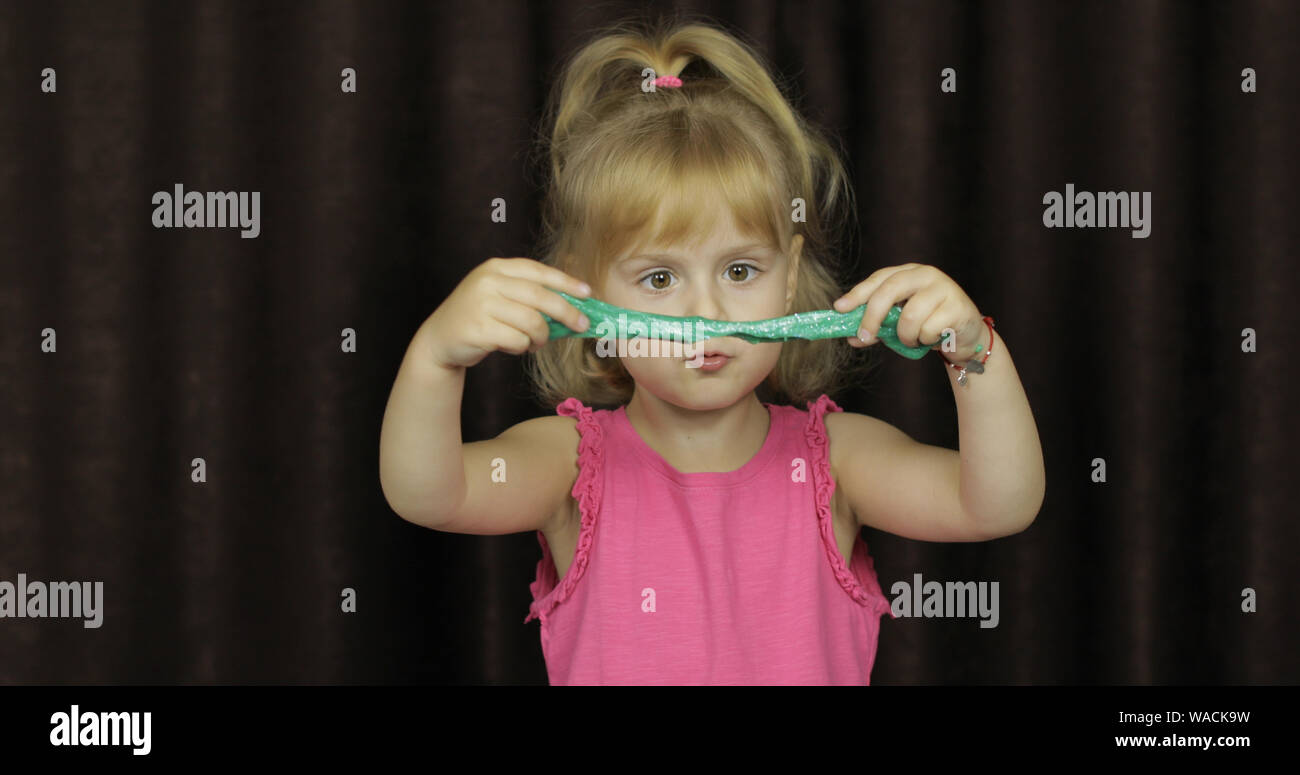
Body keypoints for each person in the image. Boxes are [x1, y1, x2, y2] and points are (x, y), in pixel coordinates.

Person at [379, 17, 1045, 685]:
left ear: (788, 277)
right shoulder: (569, 465)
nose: (707, 313)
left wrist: (973, 350)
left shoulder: (837, 462)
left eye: (739, 271)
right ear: (582, 289)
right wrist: (436, 359)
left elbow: (999, 503)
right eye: (660, 278)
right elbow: (428, 494)